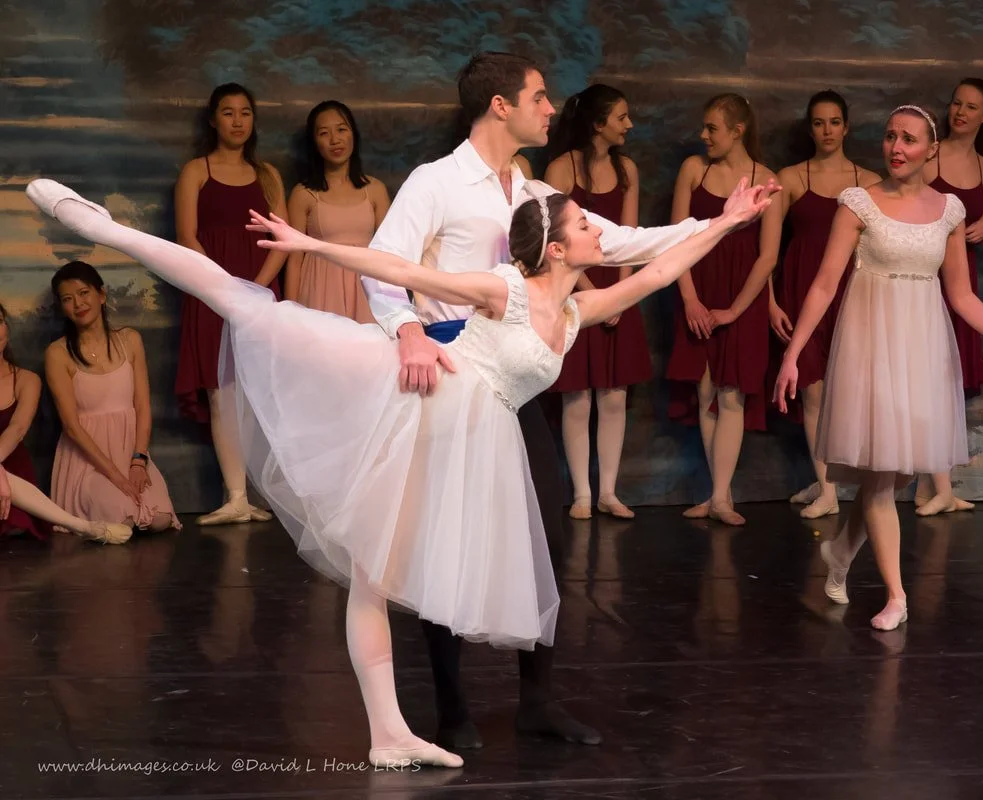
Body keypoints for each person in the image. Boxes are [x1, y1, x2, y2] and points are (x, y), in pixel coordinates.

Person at [25, 172, 773, 766]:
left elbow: (661, 266)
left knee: (378, 572)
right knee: (247, 305)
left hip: (467, 439)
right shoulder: (503, 290)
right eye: (584, 224)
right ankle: (99, 225)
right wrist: (310, 247)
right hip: (407, 394)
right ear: (553, 249)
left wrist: (729, 222)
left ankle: (388, 732)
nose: (598, 232)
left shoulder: (576, 312)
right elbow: (394, 266)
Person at [361, 51, 755, 750]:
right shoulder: (436, 183)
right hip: (452, 388)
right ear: (501, 106)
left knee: (545, 533)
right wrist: (409, 333)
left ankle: (536, 700)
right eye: (540, 98)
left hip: (510, 389)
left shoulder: (532, 193)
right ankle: (452, 710)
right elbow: (388, 266)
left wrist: (716, 224)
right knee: (444, 548)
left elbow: (626, 246)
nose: (553, 109)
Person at [774, 105, 983, 631]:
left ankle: (840, 552)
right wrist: (794, 353)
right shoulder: (859, 203)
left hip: (922, 348)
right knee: (882, 479)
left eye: (909, 139)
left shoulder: (949, 211)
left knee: (903, 469)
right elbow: (824, 283)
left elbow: (960, 294)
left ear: (930, 150)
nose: (896, 146)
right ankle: (896, 595)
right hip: (871, 345)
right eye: (890, 135)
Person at [666, 93, 782, 526]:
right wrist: (690, 298)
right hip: (697, 287)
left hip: (741, 297)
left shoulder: (767, 180)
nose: (703, 135)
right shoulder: (695, 170)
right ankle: (720, 493)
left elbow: (767, 256)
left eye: (711, 128)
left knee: (731, 392)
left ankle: (719, 498)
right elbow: (677, 237)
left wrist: (734, 310)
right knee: (705, 390)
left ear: (737, 131)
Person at [174, 83, 285, 526]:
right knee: (221, 394)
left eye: (245, 113)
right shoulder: (195, 171)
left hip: (258, 295)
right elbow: (187, 237)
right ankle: (235, 496)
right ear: (213, 119)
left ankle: (256, 494)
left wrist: (254, 289)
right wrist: (224, 289)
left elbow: (283, 239)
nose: (237, 121)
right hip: (211, 293)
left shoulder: (269, 175)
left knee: (259, 392)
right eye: (228, 112)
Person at [543, 83, 651, 520]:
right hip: (574, 288)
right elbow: (557, 239)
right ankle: (582, 494)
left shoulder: (627, 169)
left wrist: (619, 293)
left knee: (613, 393)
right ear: (598, 123)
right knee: (577, 396)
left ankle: (608, 490)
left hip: (615, 287)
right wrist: (593, 293)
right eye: (621, 117)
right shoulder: (560, 168)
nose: (629, 125)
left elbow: (630, 237)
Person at [774, 91, 880, 520]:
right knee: (812, 390)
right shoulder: (792, 177)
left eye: (835, 122)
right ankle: (827, 491)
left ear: (846, 126)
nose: (827, 131)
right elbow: (765, 249)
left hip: (851, 293)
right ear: (810, 128)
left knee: (846, 393)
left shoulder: (869, 181)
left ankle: (831, 482)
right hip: (802, 291)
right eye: (819, 123)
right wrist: (769, 301)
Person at [45, 261, 181, 534]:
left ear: (101, 295)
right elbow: (71, 426)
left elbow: (142, 406)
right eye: (68, 299)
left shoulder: (130, 340)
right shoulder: (57, 353)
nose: (78, 304)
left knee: (160, 520)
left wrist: (138, 460)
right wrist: (115, 476)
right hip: (88, 460)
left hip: (130, 452)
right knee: (123, 521)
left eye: (84, 293)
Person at [916, 77, 983, 516]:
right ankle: (937, 486)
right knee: (931, 379)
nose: (960, 112)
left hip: (965, 281)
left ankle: (936, 487)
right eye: (955, 103)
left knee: (949, 381)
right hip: (933, 280)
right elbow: (916, 212)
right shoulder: (932, 156)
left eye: (971, 107)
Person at [0, 300, 131, 544]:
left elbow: (17, 430)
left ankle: (85, 527)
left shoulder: (26, 379)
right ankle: (83, 526)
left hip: (13, 474)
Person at [284, 100, 391, 320]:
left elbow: (389, 256)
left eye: (342, 129)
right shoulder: (303, 194)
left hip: (367, 292)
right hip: (319, 292)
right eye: (324, 133)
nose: (335, 140)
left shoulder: (376, 190)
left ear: (353, 134)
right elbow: (294, 260)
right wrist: (289, 313)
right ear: (314, 142)